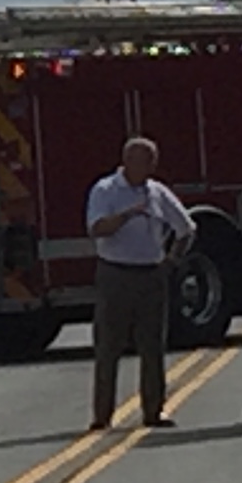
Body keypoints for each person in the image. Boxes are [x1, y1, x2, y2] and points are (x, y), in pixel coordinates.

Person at [85, 134, 194, 429]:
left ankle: (154, 411)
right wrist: (127, 215)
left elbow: (186, 228)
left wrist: (171, 261)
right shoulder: (106, 189)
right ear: (128, 160)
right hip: (115, 274)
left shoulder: (158, 192)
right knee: (109, 346)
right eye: (145, 160)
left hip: (150, 274)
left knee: (152, 346)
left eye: (152, 161)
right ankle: (102, 415)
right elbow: (96, 228)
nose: (149, 167)